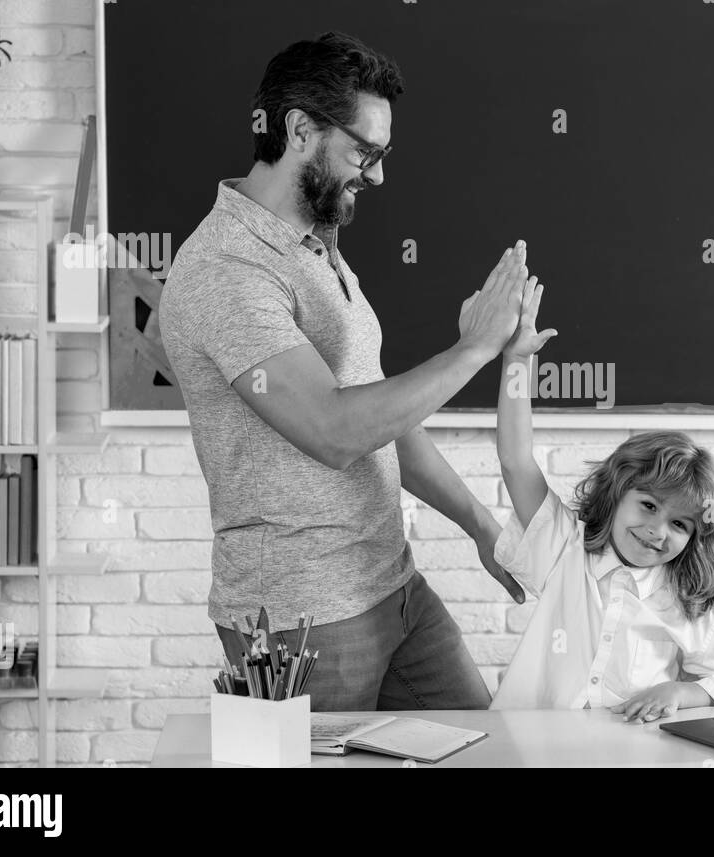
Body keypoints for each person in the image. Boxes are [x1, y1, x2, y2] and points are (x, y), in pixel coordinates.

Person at [159, 31, 530, 711]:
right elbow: (334, 430)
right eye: (365, 152)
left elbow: (380, 421)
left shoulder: (317, 241)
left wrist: (481, 523)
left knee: (487, 750)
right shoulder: (227, 268)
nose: (378, 175)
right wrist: (472, 351)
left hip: (393, 588)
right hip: (304, 618)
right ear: (300, 129)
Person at [489, 266, 714, 721]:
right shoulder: (563, 547)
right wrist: (517, 361)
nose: (656, 531)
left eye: (680, 524)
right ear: (617, 494)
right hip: (531, 748)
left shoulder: (685, 599)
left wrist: (679, 692)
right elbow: (515, 459)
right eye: (649, 505)